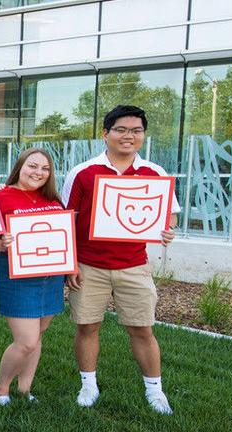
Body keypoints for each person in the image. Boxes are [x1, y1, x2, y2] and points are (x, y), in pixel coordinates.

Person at [61, 105, 180, 415]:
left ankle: (154, 390)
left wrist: (167, 230)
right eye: (121, 130)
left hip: (134, 266)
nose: (129, 136)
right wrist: (70, 263)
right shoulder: (83, 172)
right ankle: (88, 385)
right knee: (87, 326)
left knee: (142, 329)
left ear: (143, 135)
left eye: (136, 130)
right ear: (106, 133)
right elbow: (66, 219)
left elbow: (169, 214)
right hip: (89, 265)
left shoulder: (154, 172)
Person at [0, 148, 66, 405]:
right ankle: (2, 388)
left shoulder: (53, 200)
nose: (38, 172)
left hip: (51, 277)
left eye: (45, 169)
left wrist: (71, 269)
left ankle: (25, 389)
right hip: (18, 278)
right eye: (32, 166)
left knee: (38, 335)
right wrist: (2, 245)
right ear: (20, 167)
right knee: (25, 341)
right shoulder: (0, 197)